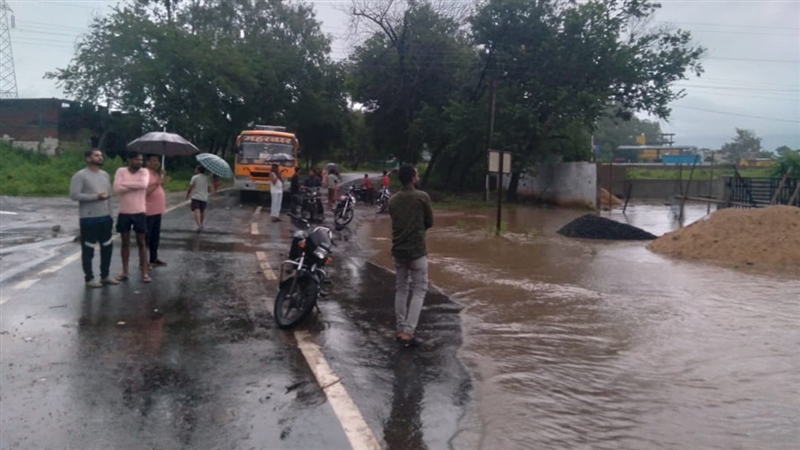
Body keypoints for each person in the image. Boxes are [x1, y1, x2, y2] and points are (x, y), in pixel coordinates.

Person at [388, 164, 433, 347]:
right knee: (419, 290)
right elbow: (429, 222)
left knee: (401, 289)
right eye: (417, 174)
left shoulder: (393, 200)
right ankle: (408, 332)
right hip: (416, 251)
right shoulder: (422, 197)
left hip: (398, 250)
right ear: (413, 178)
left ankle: (400, 329)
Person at [69, 149, 119, 288]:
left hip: (105, 218)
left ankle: (105, 276)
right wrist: (95, 197)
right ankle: (89, 278)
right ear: (88, 158)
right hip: (89, 218)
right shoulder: (80, 176)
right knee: (88, 249)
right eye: (96, 155)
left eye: (101, 155)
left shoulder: (105, 175)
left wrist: (111, 215)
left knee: (107, 248)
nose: (100, 158)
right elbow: (74, 195)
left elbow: (109, 196)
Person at [113, 152, 151, 283]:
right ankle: (125, 271)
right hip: (124, 212)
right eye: (136, 159)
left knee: (142, 243)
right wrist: (134, 184)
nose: (139, 162)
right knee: (125, 243)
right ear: (129, 159)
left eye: (141, 160)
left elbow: (144, 185)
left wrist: (126, 184)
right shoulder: (121, 171)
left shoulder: (144, 172)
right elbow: (117, 188)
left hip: (139, 211)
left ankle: (144, 271)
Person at [145, 155, 169, 267]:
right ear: (147, 162)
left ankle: (153, 258)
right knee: (147, 236)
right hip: (148, 210)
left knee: (155, 236)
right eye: (154, 161)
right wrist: (159, 182)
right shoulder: (144, 174)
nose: (157, 163)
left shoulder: (155, 174)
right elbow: (145, 192)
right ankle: (143, 260)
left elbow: (158, 187)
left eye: (158, 161)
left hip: (157, 210)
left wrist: (162, 179)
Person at [186, 165, 212, 232]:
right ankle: (201, 224)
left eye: (196, 169)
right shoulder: (207, 178)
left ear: (198, 170)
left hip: (196, 197)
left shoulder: (194, 177)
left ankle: (199, 225)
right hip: (204, 197)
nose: (195, 170)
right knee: (202, 211)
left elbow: (190, 187)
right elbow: (209, 190)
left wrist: (187, 195)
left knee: (196, 210)